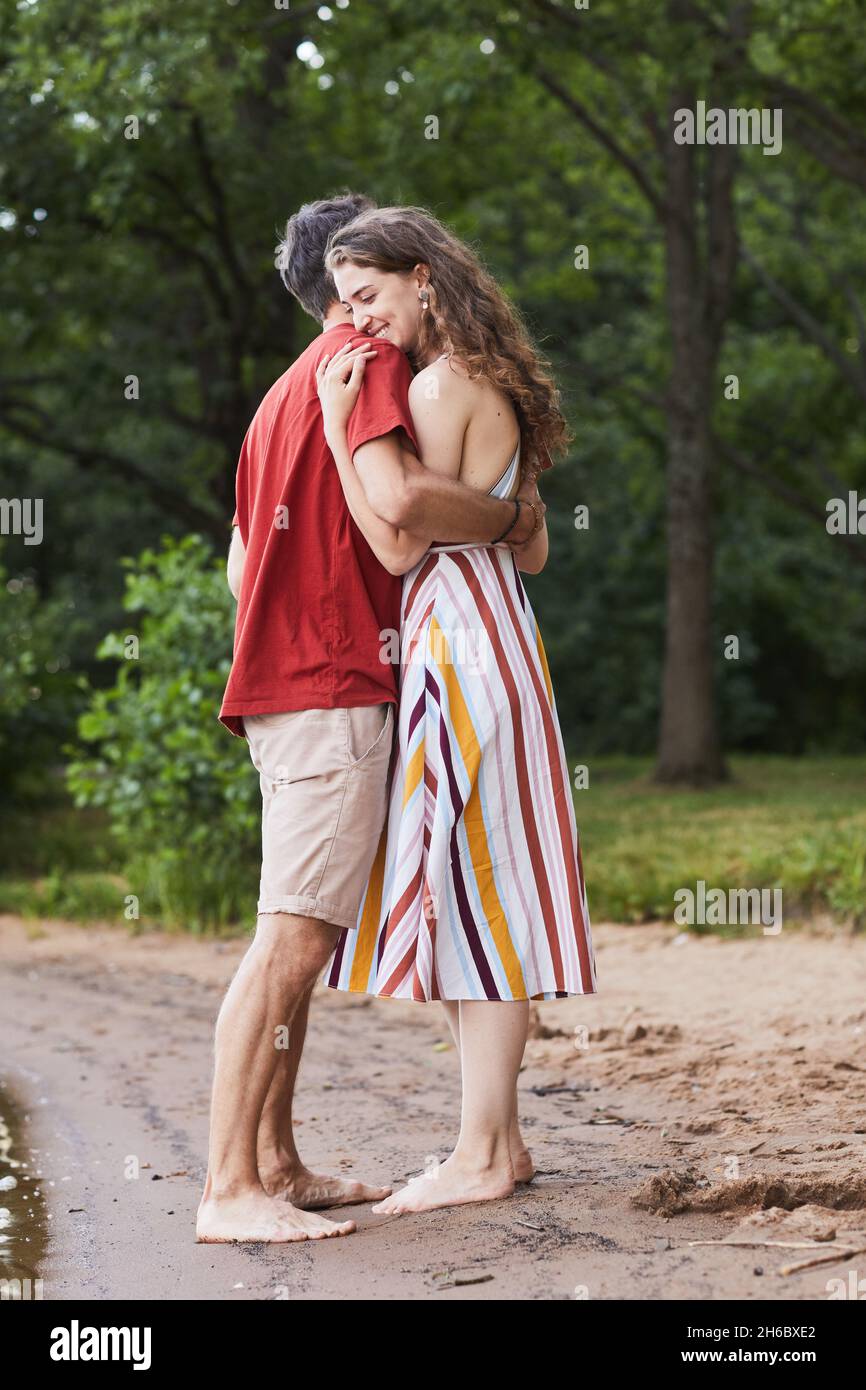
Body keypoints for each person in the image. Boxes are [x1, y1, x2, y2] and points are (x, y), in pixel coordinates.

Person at [195, 194, 544, 1244]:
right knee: (292, 940)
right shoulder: (372, 366)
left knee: (301, 939)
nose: (368, 309)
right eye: (357, 290)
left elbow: (237, 561)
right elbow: (399, 518)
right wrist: (509, 517)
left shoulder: (275, 396)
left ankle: (276, 1160)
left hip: (280, 686)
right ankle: (229, 1190)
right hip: (335, 682)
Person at [314, 205, 598, 1216]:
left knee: (473, 890)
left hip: (455, 649)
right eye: (343, 303)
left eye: (368, 296)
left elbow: (396, 540)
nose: (356, 322)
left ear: (423, 279)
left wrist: (344, 430)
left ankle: (479, 1151)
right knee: (477, 883)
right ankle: (500, 1142)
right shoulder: (488, 378)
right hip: (496, 633)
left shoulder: (436, 386)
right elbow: (531, 545)